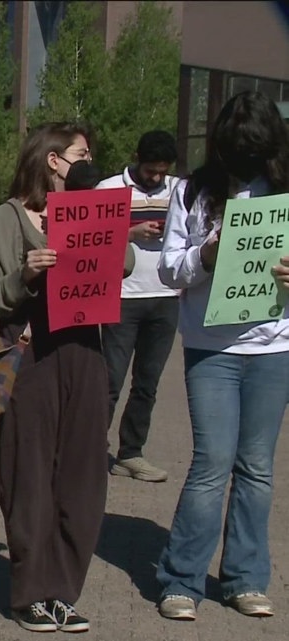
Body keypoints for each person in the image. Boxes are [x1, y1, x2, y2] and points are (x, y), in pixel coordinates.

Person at [0, 122, 134, 633]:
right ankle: (29, 591)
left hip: (85, 350)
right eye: (81, 155)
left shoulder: (90, 208)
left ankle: (63, 590)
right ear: (53, 160)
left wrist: (105, 223)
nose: (89, 163)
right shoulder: (6, 218)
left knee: (83, 475)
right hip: (32, 352)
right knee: (28, 473)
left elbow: (125, 262)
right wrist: (28, 272)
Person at [154, 90, 289, 621]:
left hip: (274, 346)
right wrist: (206, 254)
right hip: (212, 348)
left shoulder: (285, 191)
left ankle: (246, 578)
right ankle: (181, 579)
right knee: (212, 462)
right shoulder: (192, 192)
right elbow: (169, 268)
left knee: (257, 467)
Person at [97, 131, 180, 483]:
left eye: (162, 171)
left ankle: (131, 453)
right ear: (136, 159)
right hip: (122, 296)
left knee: (147, 383)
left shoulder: (180, 190)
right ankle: (89, 449)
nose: (156, 177)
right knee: (110, 380)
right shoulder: (109, 188)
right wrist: (129, 233)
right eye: (150, 171)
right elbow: (90, 236)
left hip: (166, 297)